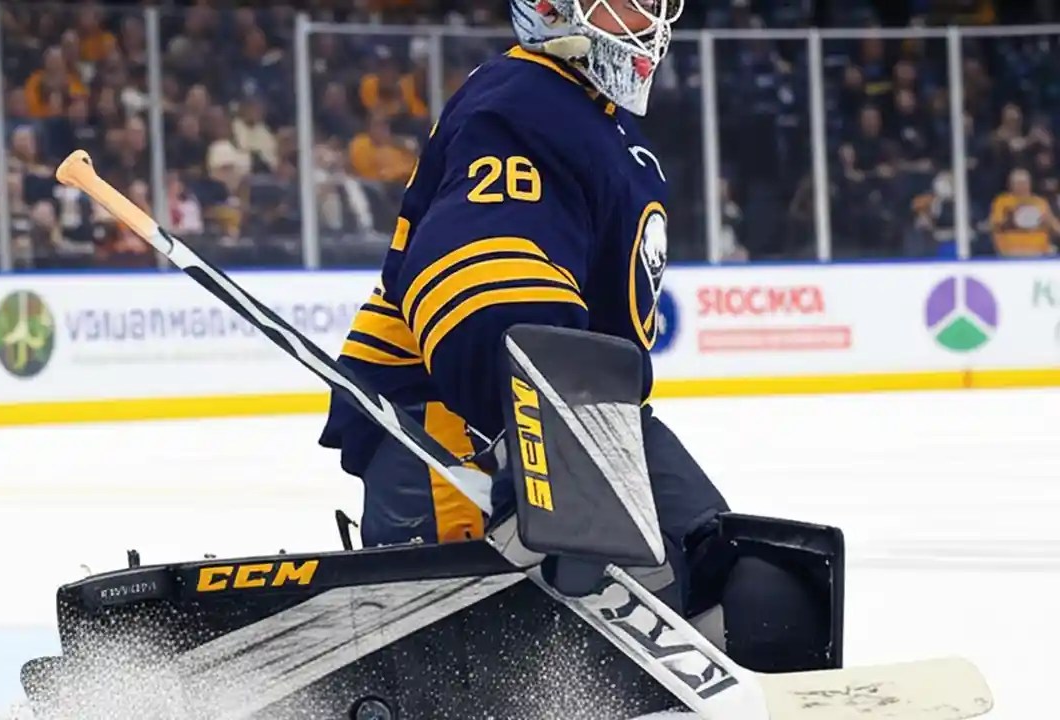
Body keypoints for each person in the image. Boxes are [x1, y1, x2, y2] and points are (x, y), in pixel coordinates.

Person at [319, 0, 837, 672]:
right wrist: (541, 443)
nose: (647, 17)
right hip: (451, 424)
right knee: (458, 647)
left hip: (582, 410)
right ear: (547, 6)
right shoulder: (521, 100)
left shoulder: (613, 137)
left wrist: (584, 433)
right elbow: (482, 281)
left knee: (733, 571)